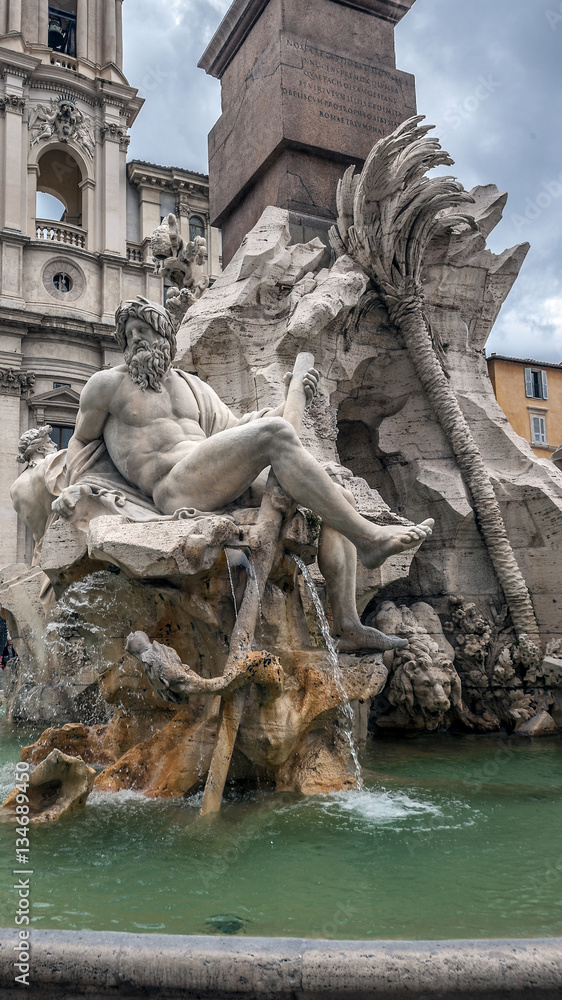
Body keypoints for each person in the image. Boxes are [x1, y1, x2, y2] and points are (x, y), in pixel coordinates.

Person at [64, 297, 433, 650]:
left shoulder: (194, 387)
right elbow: (80, 441)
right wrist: (72, 489)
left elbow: (238, 429)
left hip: (213, 477)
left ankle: (348, 624)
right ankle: (370, 539)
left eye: (144, 330)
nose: (136, 340)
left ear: (165, 336)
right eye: (129, 334)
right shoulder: (107, 385)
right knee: (277, 434)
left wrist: (289, 399)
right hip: (173, 487)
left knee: (341, 499)